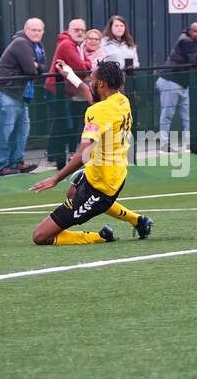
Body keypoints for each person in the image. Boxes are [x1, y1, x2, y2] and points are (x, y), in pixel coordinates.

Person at [29, 61, 151, 245]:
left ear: (101, 83)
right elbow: (91, 95)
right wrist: (69, 75)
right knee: (72, 192)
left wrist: (55, 179)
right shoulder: (120, 100)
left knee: (40, 236)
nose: (89, 81)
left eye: (91, 78)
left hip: (101, 186)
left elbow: (81, 155)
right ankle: (138, 220)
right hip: (111, 173)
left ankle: (101, 237)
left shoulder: (99, 111)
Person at [0, 17, 45, 175]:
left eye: (39, 30)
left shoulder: (37, 46)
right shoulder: (20, 42)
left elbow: (43, 66)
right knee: (5, 131)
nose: (36, 33)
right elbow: (30, 69)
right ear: (26, 30)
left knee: (22, 130)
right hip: (5, 91)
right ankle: (0, 167)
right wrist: (35, 66)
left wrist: (36, 66)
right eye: (33, 30)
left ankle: (16, 162)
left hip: (20, 94)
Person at [157, 21, 197, 150]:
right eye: (196, 31)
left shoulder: (196, 43)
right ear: (190, 31)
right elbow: (196, 59)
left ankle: (191, 143)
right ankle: (164, 145)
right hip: (170, 81)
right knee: (167, 114)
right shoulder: (185, 41)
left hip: (183, 84)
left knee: (188, 115)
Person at [46, 18, 91, 169]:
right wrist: (87, 64)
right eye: (76, 30)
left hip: (65, 91)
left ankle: (55, 155)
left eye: (82, 30)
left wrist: (85, 65)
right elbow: (81, 67)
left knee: (63, 121)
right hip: (57, 89)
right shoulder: (67, 44)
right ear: (69, 30)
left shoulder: (77, 45)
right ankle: (55, 156)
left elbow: (82, 66)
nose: (79, 33)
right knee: (63, 122)